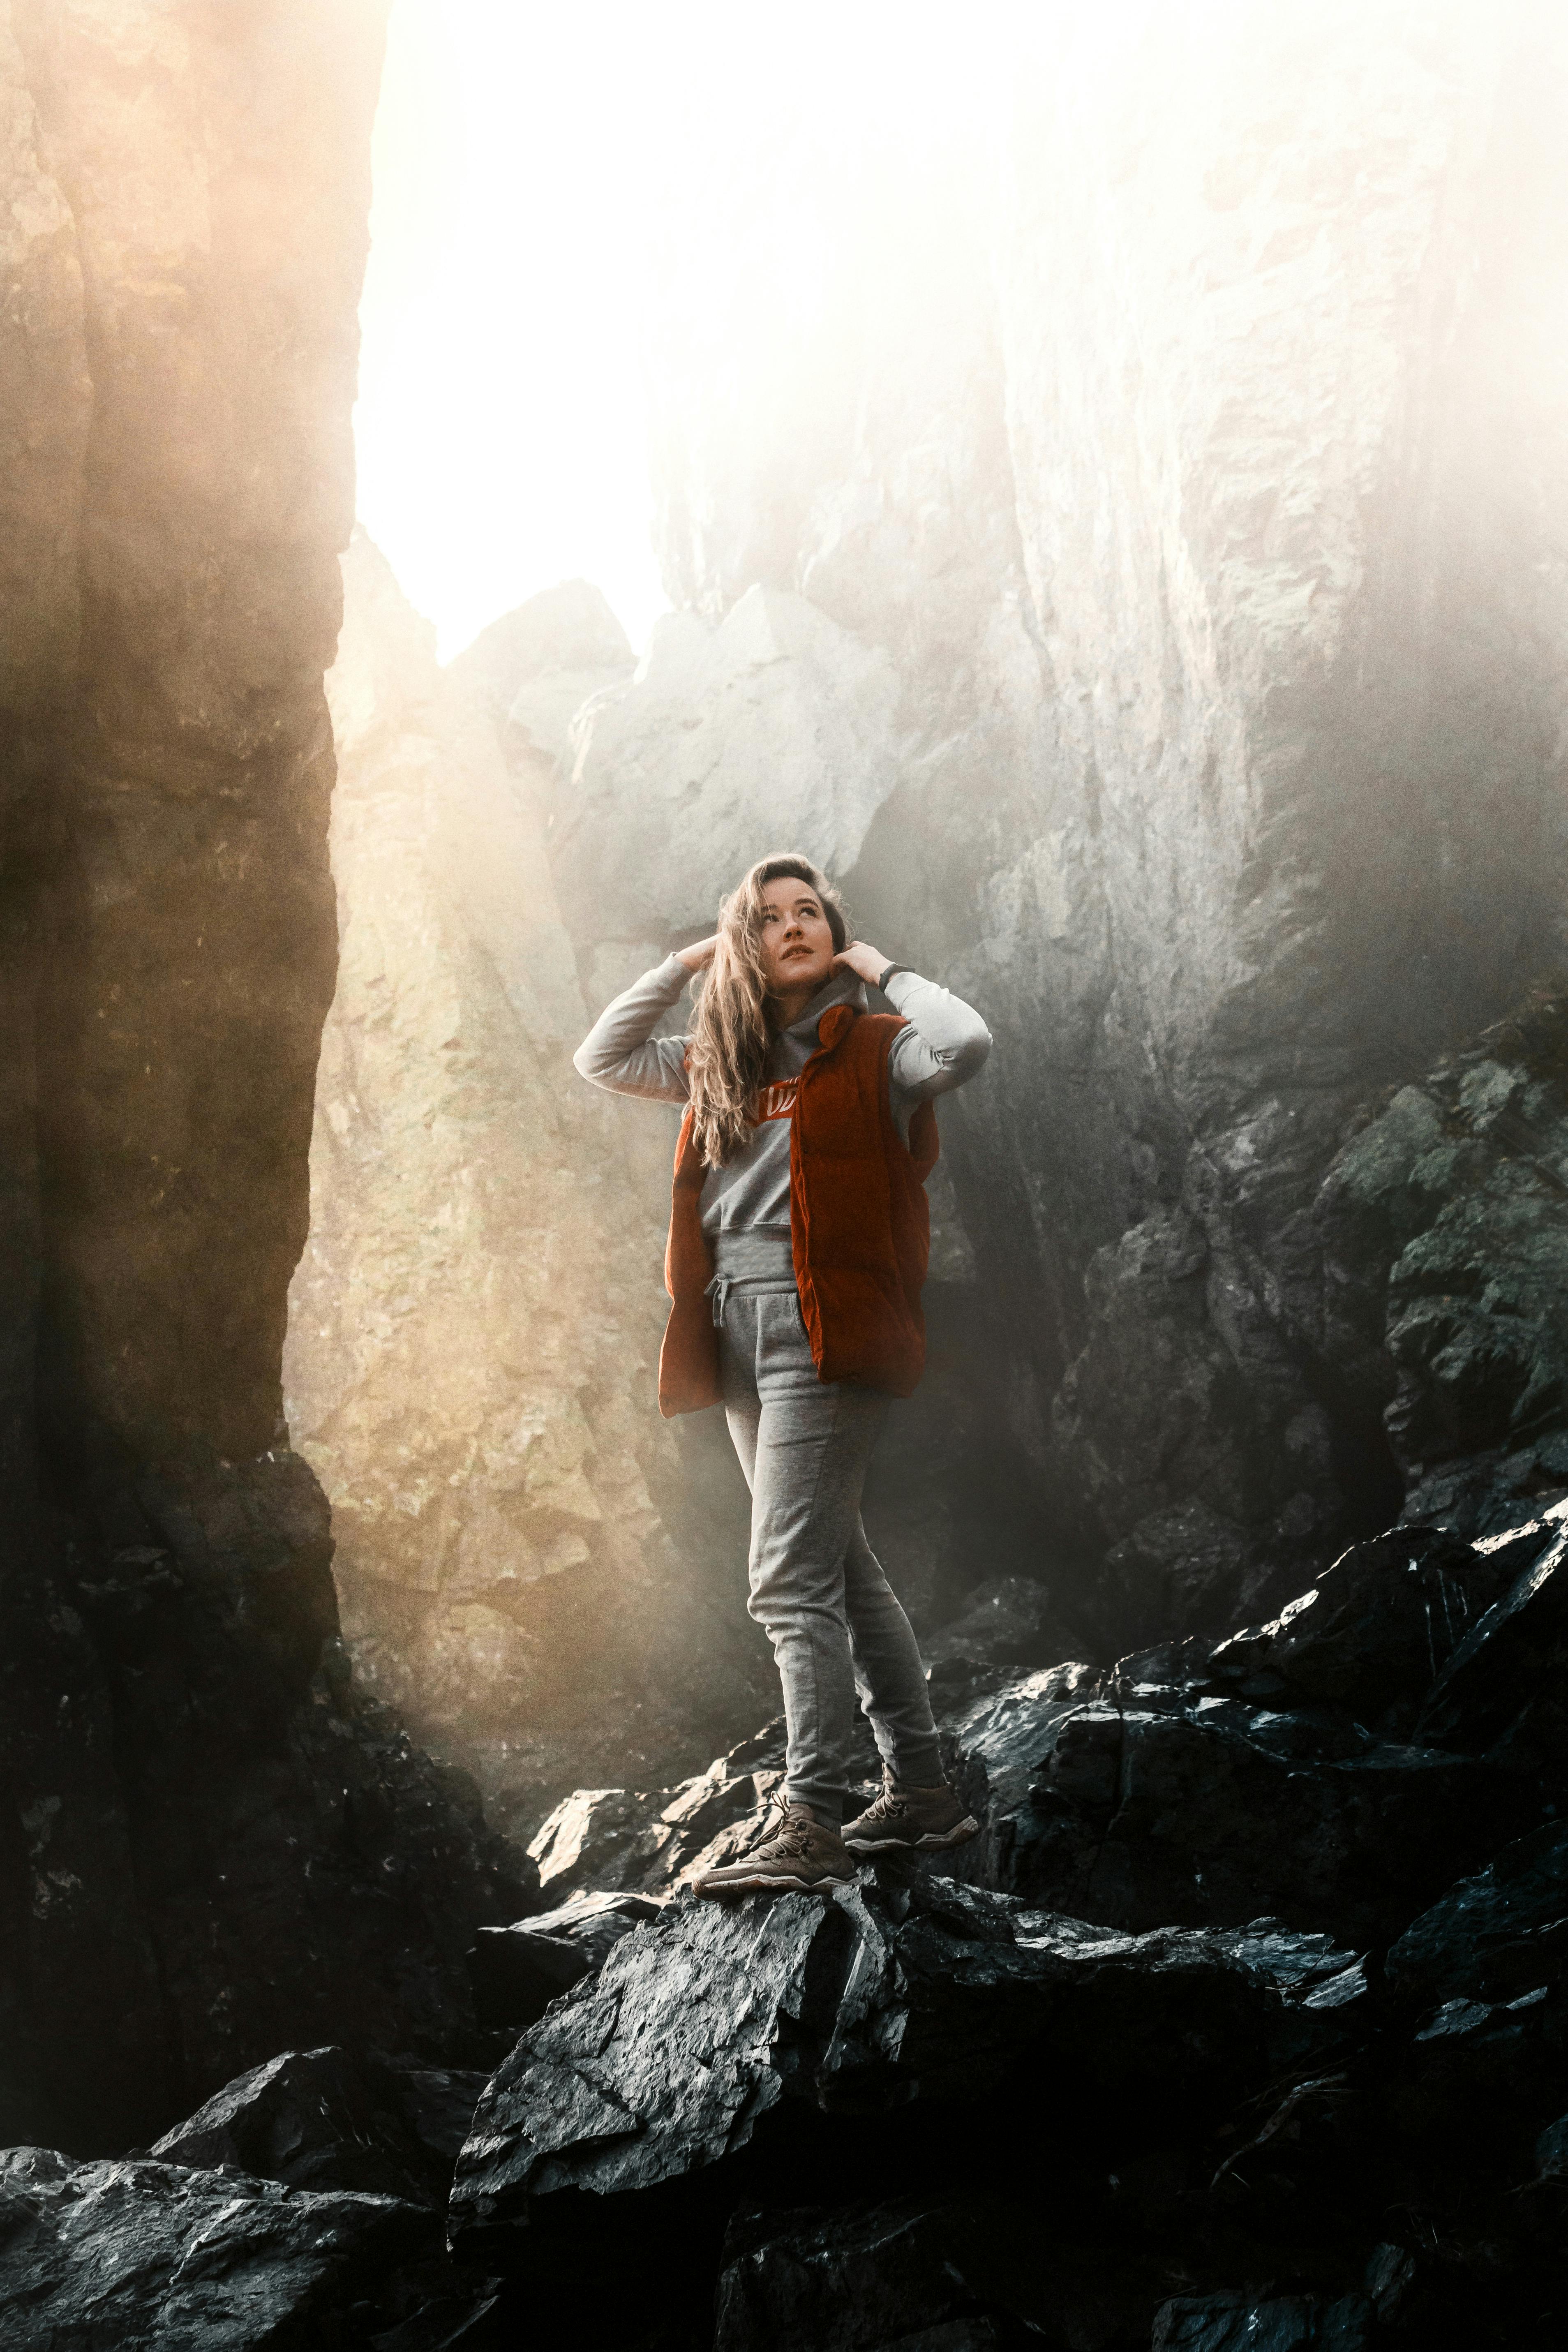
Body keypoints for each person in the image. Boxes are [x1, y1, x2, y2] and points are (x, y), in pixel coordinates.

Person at [573, 852, 992, 1894]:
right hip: (736, 1332)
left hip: (824, 1332)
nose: (794, 926)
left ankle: (812, 1812)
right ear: (741, 943)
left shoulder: (881, 1049)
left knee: (786, 1580)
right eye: (769, 918)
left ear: (837, 935)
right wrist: (689, 960)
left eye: (813, 912)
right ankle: (923, 1791)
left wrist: (883, 967)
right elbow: (600, 1054)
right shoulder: (716, 1062)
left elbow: (968, 1041)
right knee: (840, 1566)